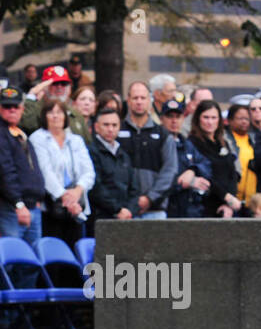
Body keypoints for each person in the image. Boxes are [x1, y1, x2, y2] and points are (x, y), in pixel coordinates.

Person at [30, 98, 94, 244]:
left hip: (77, 205)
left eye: (59, 112)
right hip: (52, 205)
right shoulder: (37, 138)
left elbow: (89, 171)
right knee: (54, 252)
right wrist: (65, 197)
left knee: (76, 250)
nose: (55, 116)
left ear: (65, 116)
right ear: (44, 116)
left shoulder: (76, 140)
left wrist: (78, 191)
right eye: (51, 112)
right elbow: (45, 172)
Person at [0, 86, 44, 246]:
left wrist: (38, 196)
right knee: (13, 256)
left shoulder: (20, 132)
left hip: (32, 206)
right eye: (7, 106)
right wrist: (18, 203)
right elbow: (2, 172)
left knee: (33, 262)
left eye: (15, 106)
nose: (12, 110)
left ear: (22, 109)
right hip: (12, 208)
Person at [118, 81, 177, 217]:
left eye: (143, 98)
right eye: (135, 98)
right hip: (123, 210)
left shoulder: (163, 134)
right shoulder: (116, 131)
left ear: (150, 100)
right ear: (128, 100)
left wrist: (150, 198)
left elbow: (170, 170)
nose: (139, 102)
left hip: (155, 209)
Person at [86, 108, 141, 232]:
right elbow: (96, 187)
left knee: (125, 251)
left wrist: (129, 210)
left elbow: (134, 188)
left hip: (126, 219)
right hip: (101, 220)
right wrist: (117, 210)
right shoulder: (90, 152)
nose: (110, 129)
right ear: (96, 127)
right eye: (106, 125)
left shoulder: (123, 155)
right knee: (108, 252)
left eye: (114, 125)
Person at [188, 99, 243, 218]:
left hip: (228, 206)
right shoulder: (192, 143)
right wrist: (226, 197)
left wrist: (229, 202)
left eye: (214, 118)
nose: (210, 122)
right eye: (206, 117)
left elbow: (232, 173)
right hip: (204, 206)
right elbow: (204, 174)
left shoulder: (223, 143)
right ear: (198, 119)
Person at [225, 102, 257, 204]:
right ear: (230, 120)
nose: (244, 122)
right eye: (240, 118)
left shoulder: (254, 140)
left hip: (253, 200)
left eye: (247, 119)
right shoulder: (224, 140)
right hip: (232, 199)